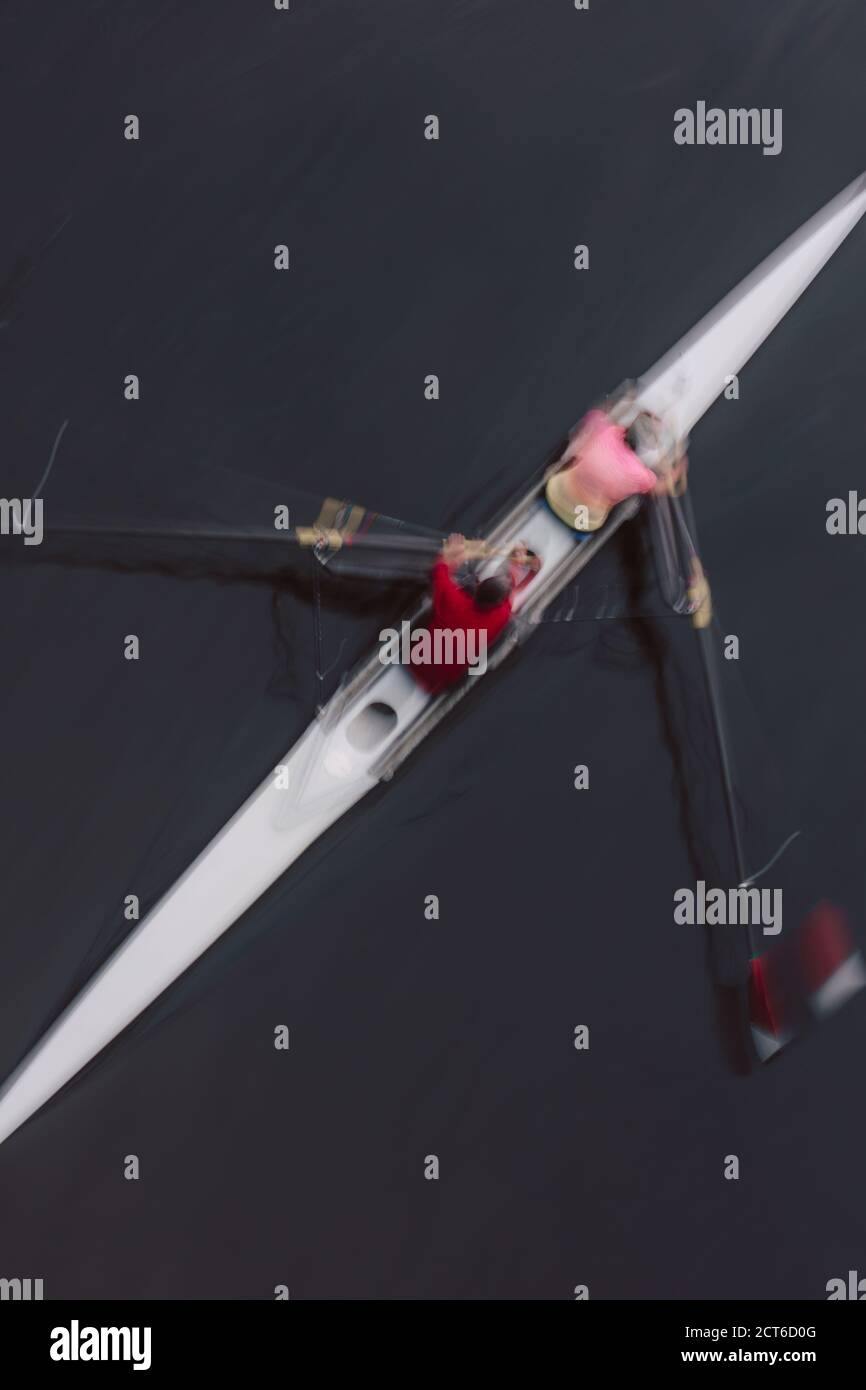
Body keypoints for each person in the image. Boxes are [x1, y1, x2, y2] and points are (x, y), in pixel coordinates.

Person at [412, 533, 534, 693]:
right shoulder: (502, 615)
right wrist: (519, 567)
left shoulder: (452, 599)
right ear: (499, 604)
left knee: (440, 596)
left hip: (413, 661)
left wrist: (455, 550)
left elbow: (439, 567)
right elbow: (516, 592)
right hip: (437, 684)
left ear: (478, 588)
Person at [545, 407, 686, 532]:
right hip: (584, 523)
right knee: (633, 500)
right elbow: (659, 489)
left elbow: (594, 414)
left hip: (554, 494)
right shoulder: (642, 475)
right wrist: (677, 472)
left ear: (630, 425)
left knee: (580, 447)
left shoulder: (605, 429)